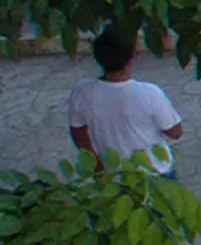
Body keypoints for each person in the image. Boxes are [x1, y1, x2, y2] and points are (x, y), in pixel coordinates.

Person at [68, 25, 184, 176]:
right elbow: (175, 132)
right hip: (155, 173)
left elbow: (77, 131)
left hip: (113, 175)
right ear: (131, 57)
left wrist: (96, 163)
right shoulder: (149, 93)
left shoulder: (82, 92)